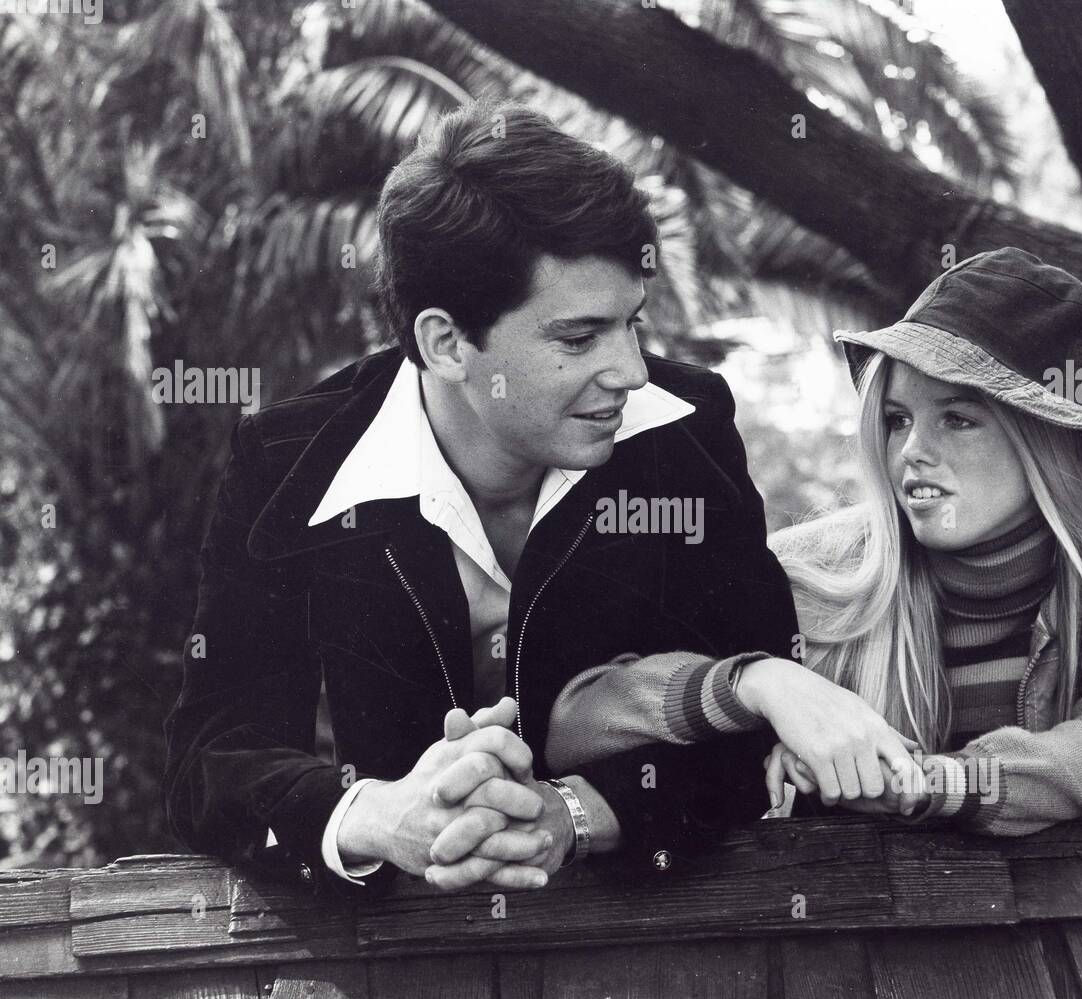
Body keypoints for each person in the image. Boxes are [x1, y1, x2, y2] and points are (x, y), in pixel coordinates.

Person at [163, 99, 797, 898]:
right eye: (578, 338)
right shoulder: (289, 461)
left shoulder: (686, 432)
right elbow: (214, 753)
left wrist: (571, 812)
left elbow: (762, 709)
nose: (632, 371)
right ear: (446, 343)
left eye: (633, 323)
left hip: (660, 930)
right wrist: (376, 814)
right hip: (393, 974)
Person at [545, 248, 1082, 836]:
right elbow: (578, 723)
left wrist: (925, 786)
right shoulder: (818, 571)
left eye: (958, 419)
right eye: (896, 420)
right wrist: (757, 687)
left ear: (1046, 437)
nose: (913, 451)